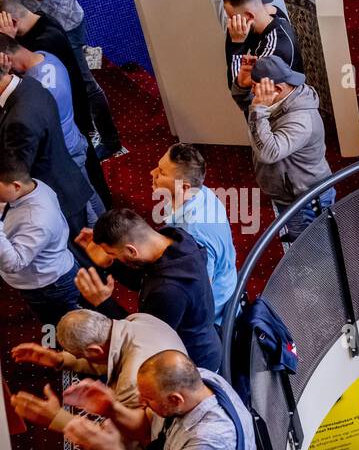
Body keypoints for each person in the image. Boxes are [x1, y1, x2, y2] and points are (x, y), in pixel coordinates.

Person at [54, 348, 253, 450]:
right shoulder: (198, 378)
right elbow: (148, 427)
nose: (141, 403)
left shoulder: (206, 443)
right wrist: (111, 409)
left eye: (148, 400)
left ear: (175, 399)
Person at [0, 0, 120, 159]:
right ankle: (81, 133)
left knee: (83, 84)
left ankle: (109, 141)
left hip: (61, 25)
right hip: (33, 24)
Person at [71, 207, 222, 372]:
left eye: (112, 253)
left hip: (192, 362)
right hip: (201, 337)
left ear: (131, 250)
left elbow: (141, 338)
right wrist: (111, 264)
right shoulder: (175, 237)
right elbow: (146, 279)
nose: (112, 256)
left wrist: (103, 302)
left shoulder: (168, 291)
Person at [0, 0, 110, 204]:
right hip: (74, 130)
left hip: (67, 144)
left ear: (11, 22)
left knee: (86, 195)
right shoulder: (43, 42)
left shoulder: (42, 60)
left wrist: (7, 46)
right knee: (88, 188)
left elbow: (34, 108)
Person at [8, 310, 183, 419]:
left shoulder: (131, 381)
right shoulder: (138, 319)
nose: (77, 357)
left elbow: (124, 435)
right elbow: (110, 357)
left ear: (94, 351)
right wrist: (59, 360)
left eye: (78, 355)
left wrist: (57, 419)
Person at [0, 47, 95, 240]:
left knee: (86, 253)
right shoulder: (28, 84)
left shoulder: (19, 120)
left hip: (57, 199)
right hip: (69, 179)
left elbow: (15, 178)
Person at [246, 58, 334, 242]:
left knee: (312, 243)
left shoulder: (301, 120)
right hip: (289, 192)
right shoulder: (284, 97)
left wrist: (258, 109)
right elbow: (246, 106)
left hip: (306, 199)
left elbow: (268, 153)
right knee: (298, 232)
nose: (252, 92)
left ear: (277, 89)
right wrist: (241, 82)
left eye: (254, 86)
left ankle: (312, 267)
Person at [150, 144, 237, 322]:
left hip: (217, 310)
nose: (152, 173)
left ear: (184, 187)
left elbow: (201, 288)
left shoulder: (193, 233)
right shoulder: (201, 192)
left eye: (162, 173)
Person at [0, 154, 85, 325]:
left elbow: (13, 264)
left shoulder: (36, 219)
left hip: (50, 286)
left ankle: (54, 348)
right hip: (49, 275)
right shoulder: (34, 185)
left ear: (16, 186)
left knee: (60, 326)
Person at [222, 0, 303, 114]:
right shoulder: (271, 16)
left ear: (248, 16)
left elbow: (242, 94)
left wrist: (237, 44)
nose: (230, 24)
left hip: (278, 120)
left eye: (232, 17)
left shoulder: (274, 48)